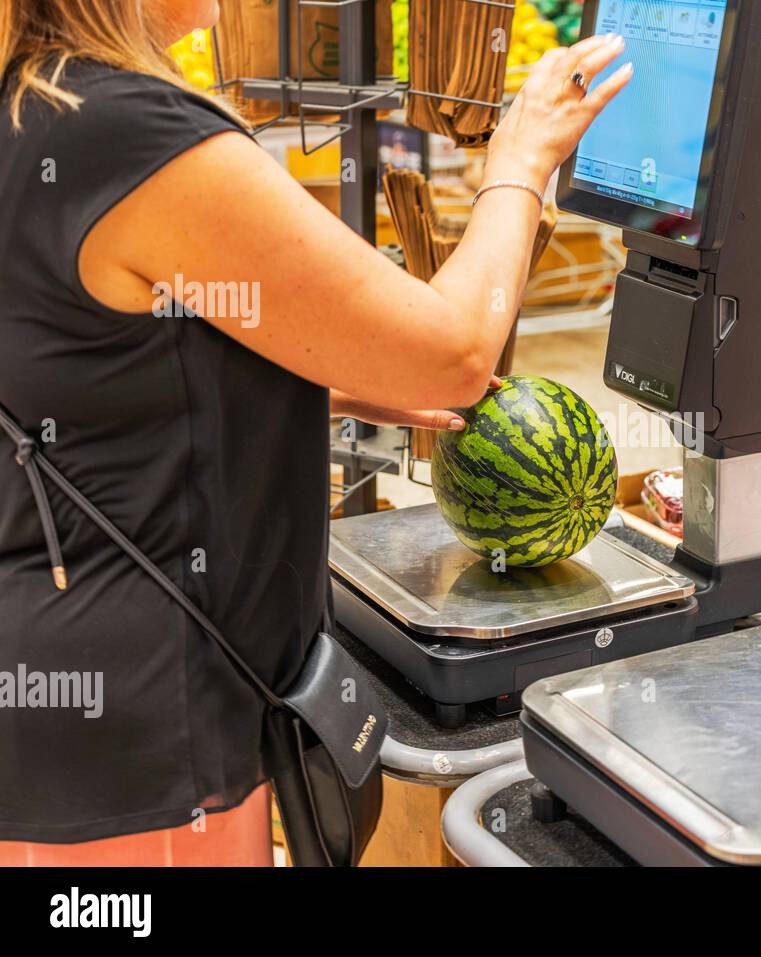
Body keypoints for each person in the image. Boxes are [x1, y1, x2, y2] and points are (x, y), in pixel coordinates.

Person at [0, 0, 631, 864]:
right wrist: (521, 159)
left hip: (64, 707)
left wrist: (312, 377)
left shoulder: (34, 107)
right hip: (151, 736)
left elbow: (81, 364)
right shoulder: (132, 131)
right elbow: (457, 356)